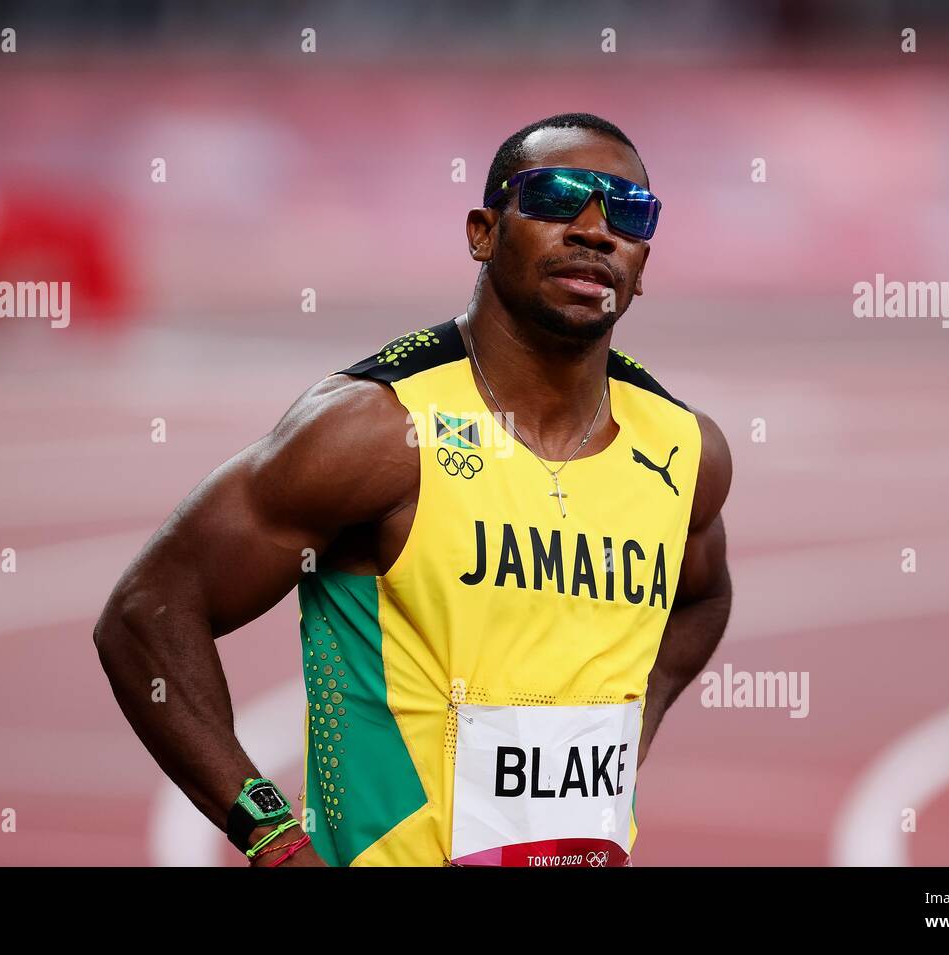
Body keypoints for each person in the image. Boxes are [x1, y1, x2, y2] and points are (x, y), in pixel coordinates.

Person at [95, 112, 733, 867]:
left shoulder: (684, 450)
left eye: (627, 211)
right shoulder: (378, 430)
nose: (595, 229)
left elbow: (701, 597)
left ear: (642, 259)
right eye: (558, 196)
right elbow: (146, 616)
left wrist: (633, 725)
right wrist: (270, 836)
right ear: (483, 232)